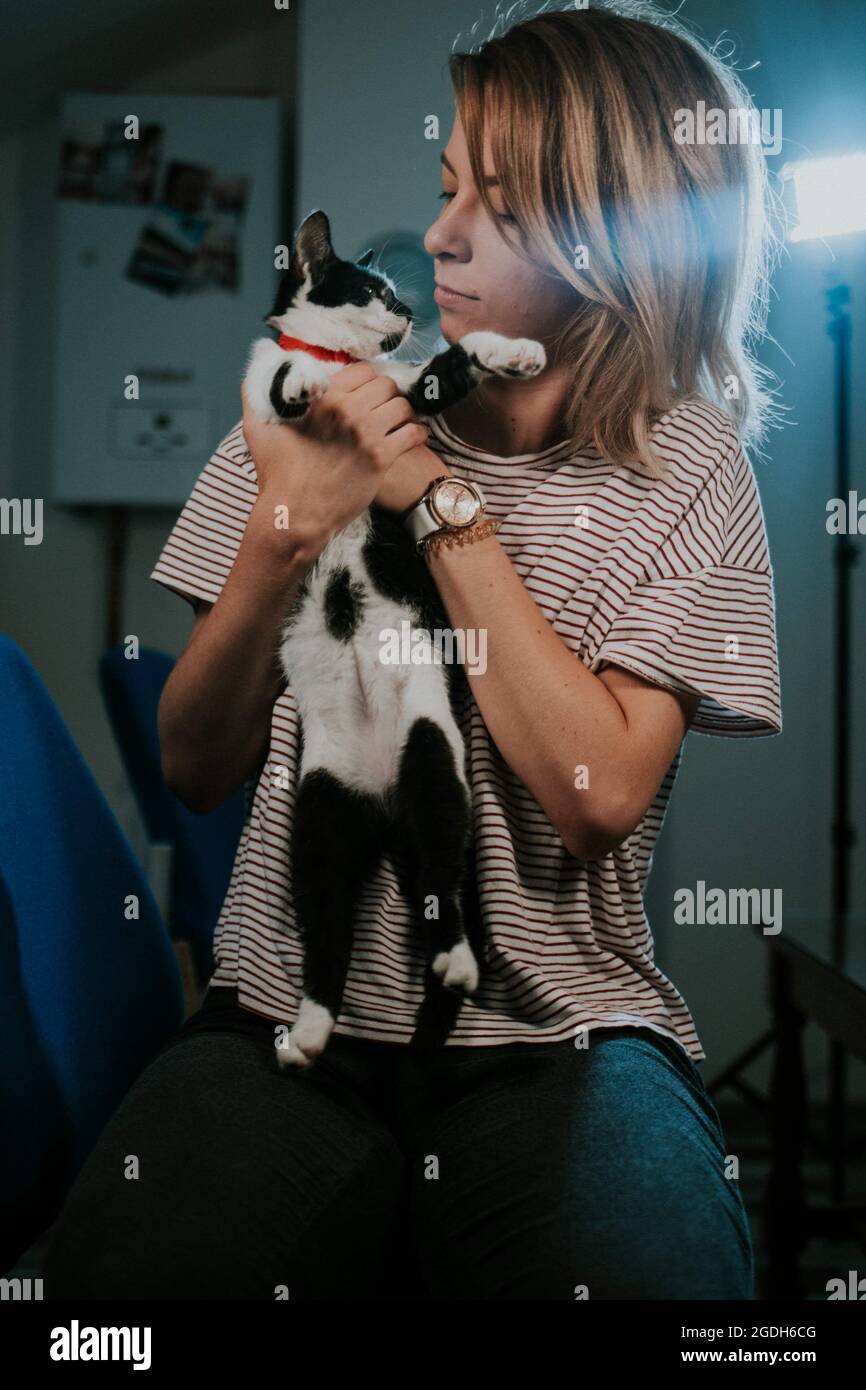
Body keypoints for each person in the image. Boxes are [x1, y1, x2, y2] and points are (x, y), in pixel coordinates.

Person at [43, 1, 782, 1300]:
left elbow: (598, 796)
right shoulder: (316, 404)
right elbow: (193, 764)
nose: (436, 232)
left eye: (493, 204)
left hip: (566, 1036)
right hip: (284, 1014)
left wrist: (431, 498)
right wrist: (289, 527)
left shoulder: (689, 463)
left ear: (615, 225)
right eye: (447, 187)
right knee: (114, 1299)